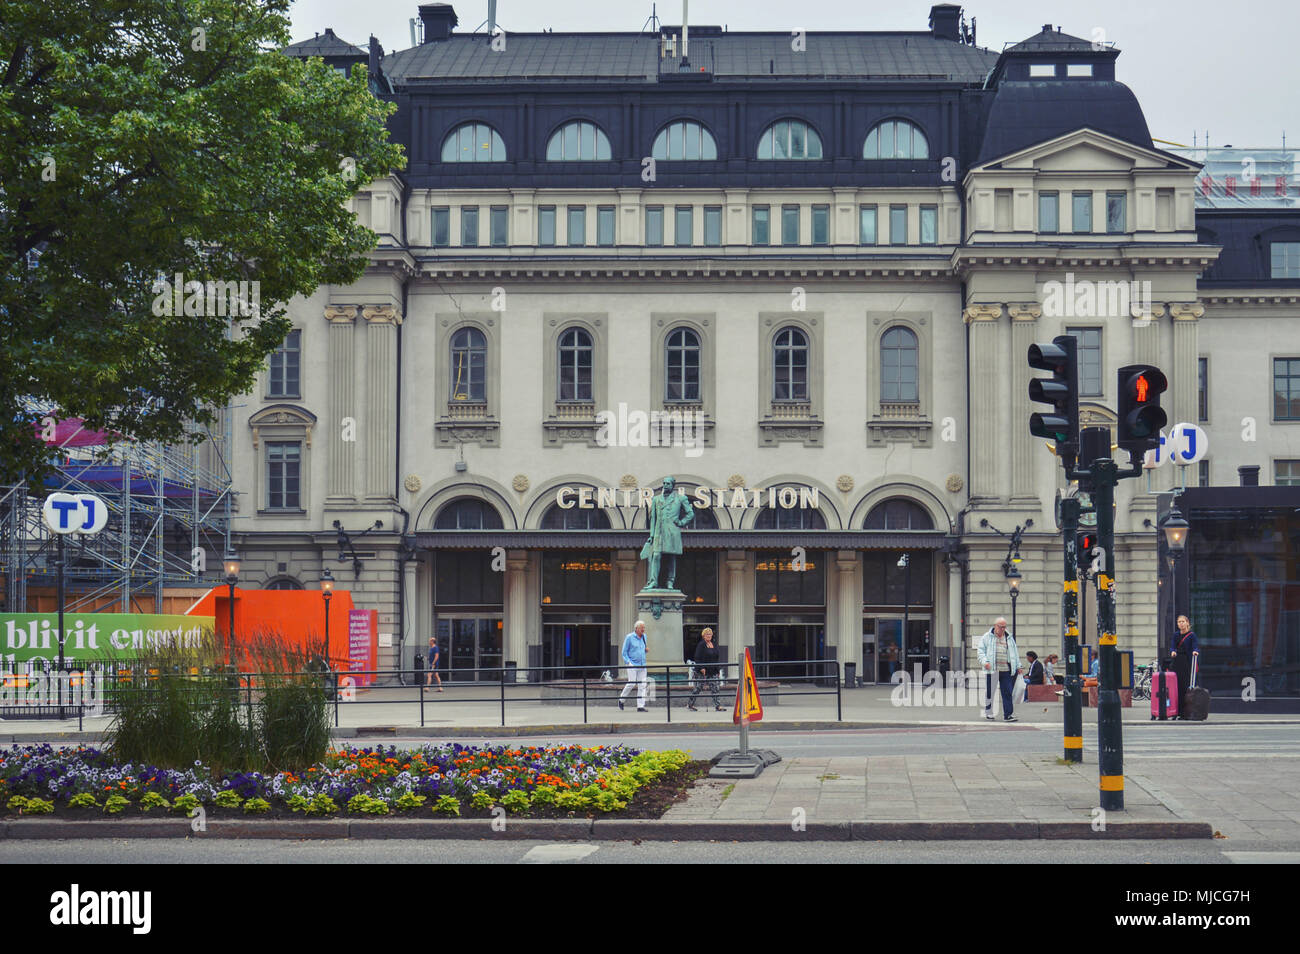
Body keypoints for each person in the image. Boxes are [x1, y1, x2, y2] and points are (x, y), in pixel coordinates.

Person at [977, 618, 1022, 722]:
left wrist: (1018, 666)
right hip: (992, 670)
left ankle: (1008, 715)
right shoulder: (987, 637)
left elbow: (1015, 653)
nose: (1003, 629)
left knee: (1007, 692)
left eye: (1004, 627)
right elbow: (980, 651)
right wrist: (985, 662)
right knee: (990, 692)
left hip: (1006, 670)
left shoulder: (1009, 638)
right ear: (995, 626)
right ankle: (989, 712)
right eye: (1001, 626)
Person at [687, 628, 725, 712]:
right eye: (707, 634)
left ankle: (718, 706)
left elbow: (716, 658)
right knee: (698, 688)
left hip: (713, 670)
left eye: (710, 634)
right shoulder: (701, 645)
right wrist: (701, 668)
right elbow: (697, 657)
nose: (709, 636)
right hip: (703, 671)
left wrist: (718, 670)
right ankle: (690, 704)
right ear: (703, 636)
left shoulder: (713, 644)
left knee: (715, 688)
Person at [1169, 614, 1200, 719]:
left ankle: (1185, 713)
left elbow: (1195, 646)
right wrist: (1172, 651)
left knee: (1185, 687)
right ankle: (1176, 711)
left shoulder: (1191, 635)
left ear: (1187, 623)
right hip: (1177, 663)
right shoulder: (1176, 635)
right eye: (1179, 622)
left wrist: (1195, 651)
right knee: (1176, 688)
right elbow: (1173, 645)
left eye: (1183, 621)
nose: (1181, 624)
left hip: (1187, 664)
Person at [618, 620, 649, 712]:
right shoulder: (629, 637)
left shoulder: (644, 637)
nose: (643, 629)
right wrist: (628, 662)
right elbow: (624, 652)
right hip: (633, 663)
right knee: (632, 683)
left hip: (642, 664)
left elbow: (641, 650)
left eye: (644, 627)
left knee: (642, 685)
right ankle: (621, 700)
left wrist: (645, 651)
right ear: (636, 628)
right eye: (642, 628)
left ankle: (640, 706)